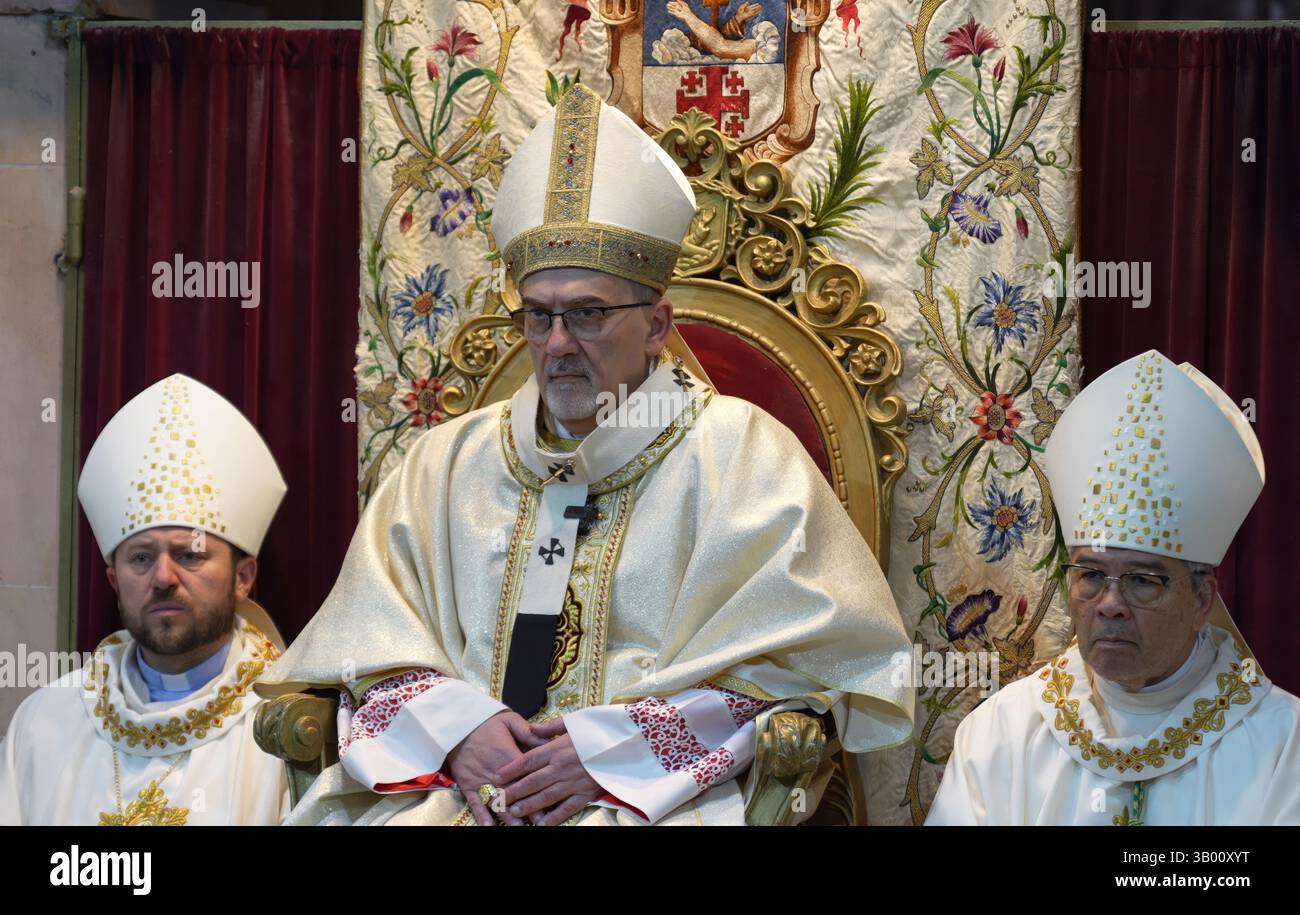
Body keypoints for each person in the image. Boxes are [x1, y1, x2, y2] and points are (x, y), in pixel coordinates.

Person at [257, 83, 913, 826]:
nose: (558, 343)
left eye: (589, 313)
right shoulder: (444, 466)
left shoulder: (742, 456)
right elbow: (365, 651)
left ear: (657, 323)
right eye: (539, 316)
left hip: (655, 801)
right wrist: (455, 730)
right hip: (461, 794)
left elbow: (806, 678)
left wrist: (611, 750)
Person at [926, 350, 1300, 825]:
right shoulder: (1002, 732)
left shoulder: (1282, 747)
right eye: (1091, 576)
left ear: (1201, 598)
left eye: (1143, 581)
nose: (1110, 605)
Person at [0, 374, 290, 825]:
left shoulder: (290, 725)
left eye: (189, 555)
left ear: (243, 577)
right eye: (141, 557)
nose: (162, 577)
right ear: (115, 581)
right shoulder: (44, 723)